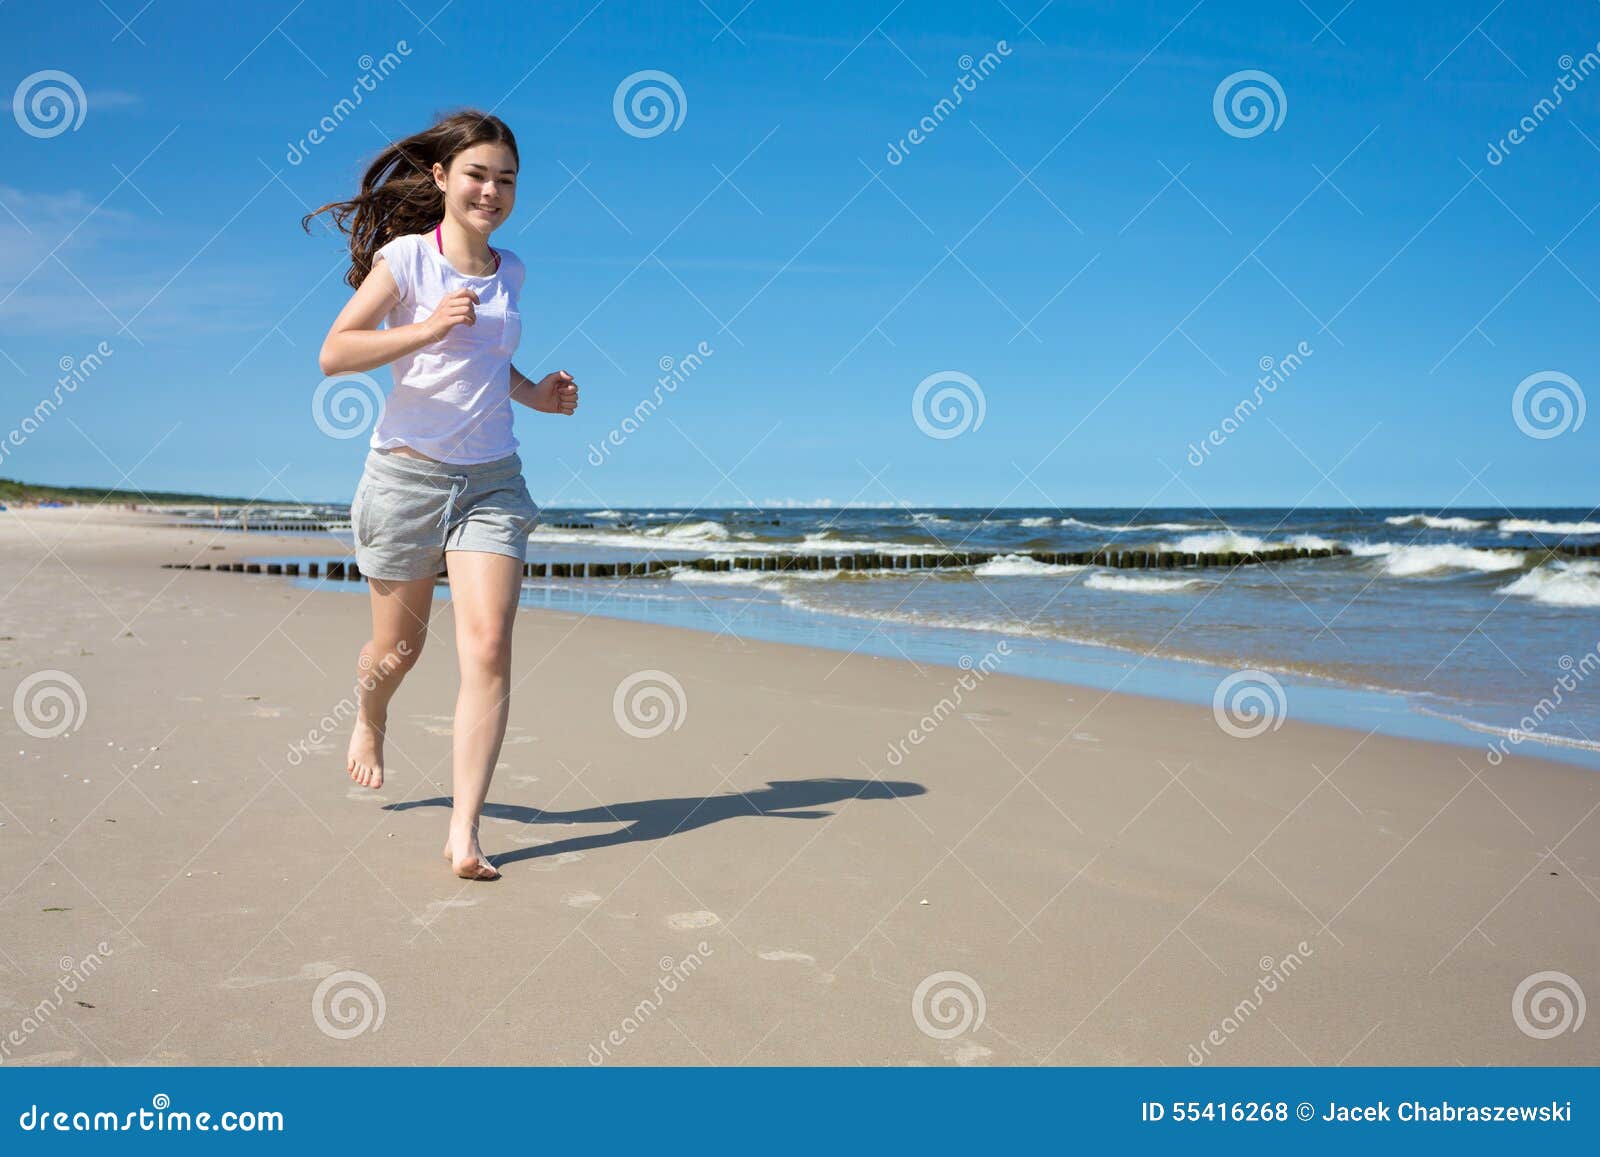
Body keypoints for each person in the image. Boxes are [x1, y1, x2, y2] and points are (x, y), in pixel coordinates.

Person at [305, 109, 579, 880]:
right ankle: (370, 713)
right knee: (397, 651)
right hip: (407, 478)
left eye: (506, 180)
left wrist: (539, 395)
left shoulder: (511, 270)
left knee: (487, 645)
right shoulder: (407, 262)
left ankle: (465, 833)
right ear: (442, 179)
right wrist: (423, 329)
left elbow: (489, 368)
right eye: (478, 175)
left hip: (493, 480)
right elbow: (334, 354)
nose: (492, 191)